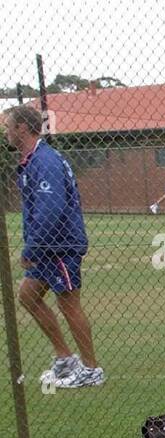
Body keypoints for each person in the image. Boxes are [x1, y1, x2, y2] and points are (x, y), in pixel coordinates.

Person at [4, 104, 103, 388]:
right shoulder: (31, 160)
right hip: (47, 246)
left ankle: (91, 369)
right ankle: (65, 358)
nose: (6, 131)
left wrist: (31, 249)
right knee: (27, 295)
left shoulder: (45, 161)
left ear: (23, 127)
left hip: (59, 246)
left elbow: (51, 210)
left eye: (9, 125)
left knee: (68, 303)